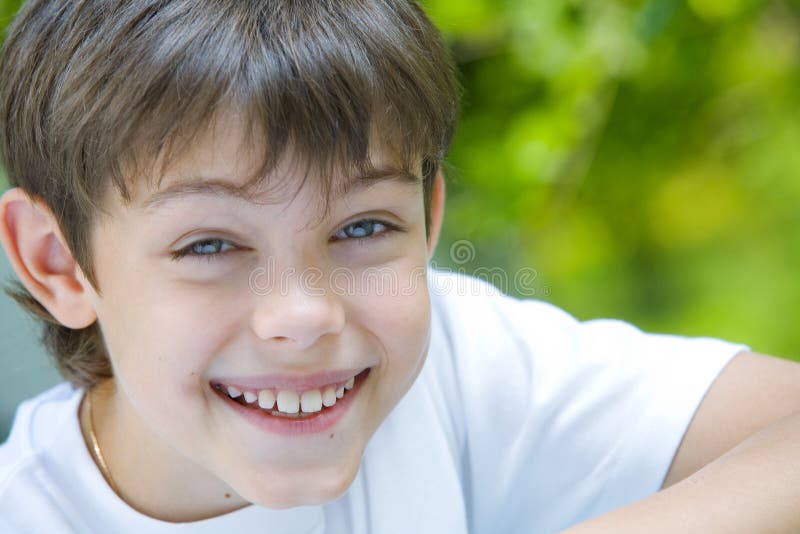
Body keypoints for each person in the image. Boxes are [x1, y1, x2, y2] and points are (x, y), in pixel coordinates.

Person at [1, 1, 799, 533]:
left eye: (362, 227)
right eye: (209, 245)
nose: (307, 313)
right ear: (58, 261)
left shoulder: (458, 362)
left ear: (427, 225)